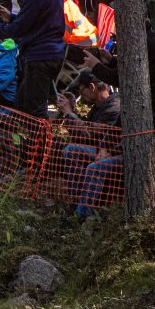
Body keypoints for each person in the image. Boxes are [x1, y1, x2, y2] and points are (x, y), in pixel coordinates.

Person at [57, 67, 123, 217]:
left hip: (112, 153)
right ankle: (77, 203)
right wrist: (72, 111)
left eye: (82, 91)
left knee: (72, 151)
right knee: (69, 149)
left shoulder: (114, 105)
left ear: (92, 87)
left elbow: (90, 135)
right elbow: (86, 133)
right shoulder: (99, 107)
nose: (82, 96)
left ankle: (81, 214)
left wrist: (69, 114)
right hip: (101, 150)